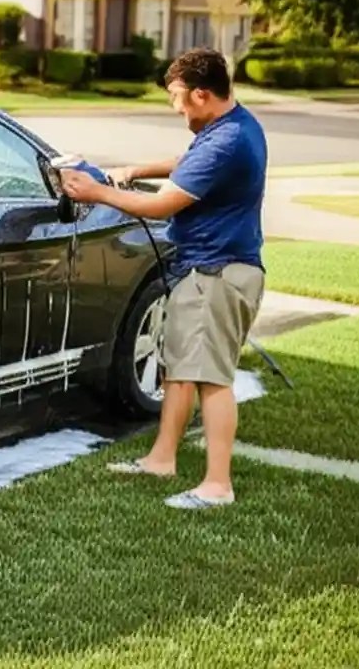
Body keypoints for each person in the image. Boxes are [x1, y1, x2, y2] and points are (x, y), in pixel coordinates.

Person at [58, 47, 267, 510]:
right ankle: (161, 459)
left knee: (211, 378)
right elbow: (185, 163)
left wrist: (97, 191)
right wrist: (135, 170)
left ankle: (217, 486)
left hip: (218, 273)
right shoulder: (229, 125)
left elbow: (161, 205)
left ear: (200, 93)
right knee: (178, 369)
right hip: (201, 268)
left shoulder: (226, 141)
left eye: (176, 98)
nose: (174, 108)